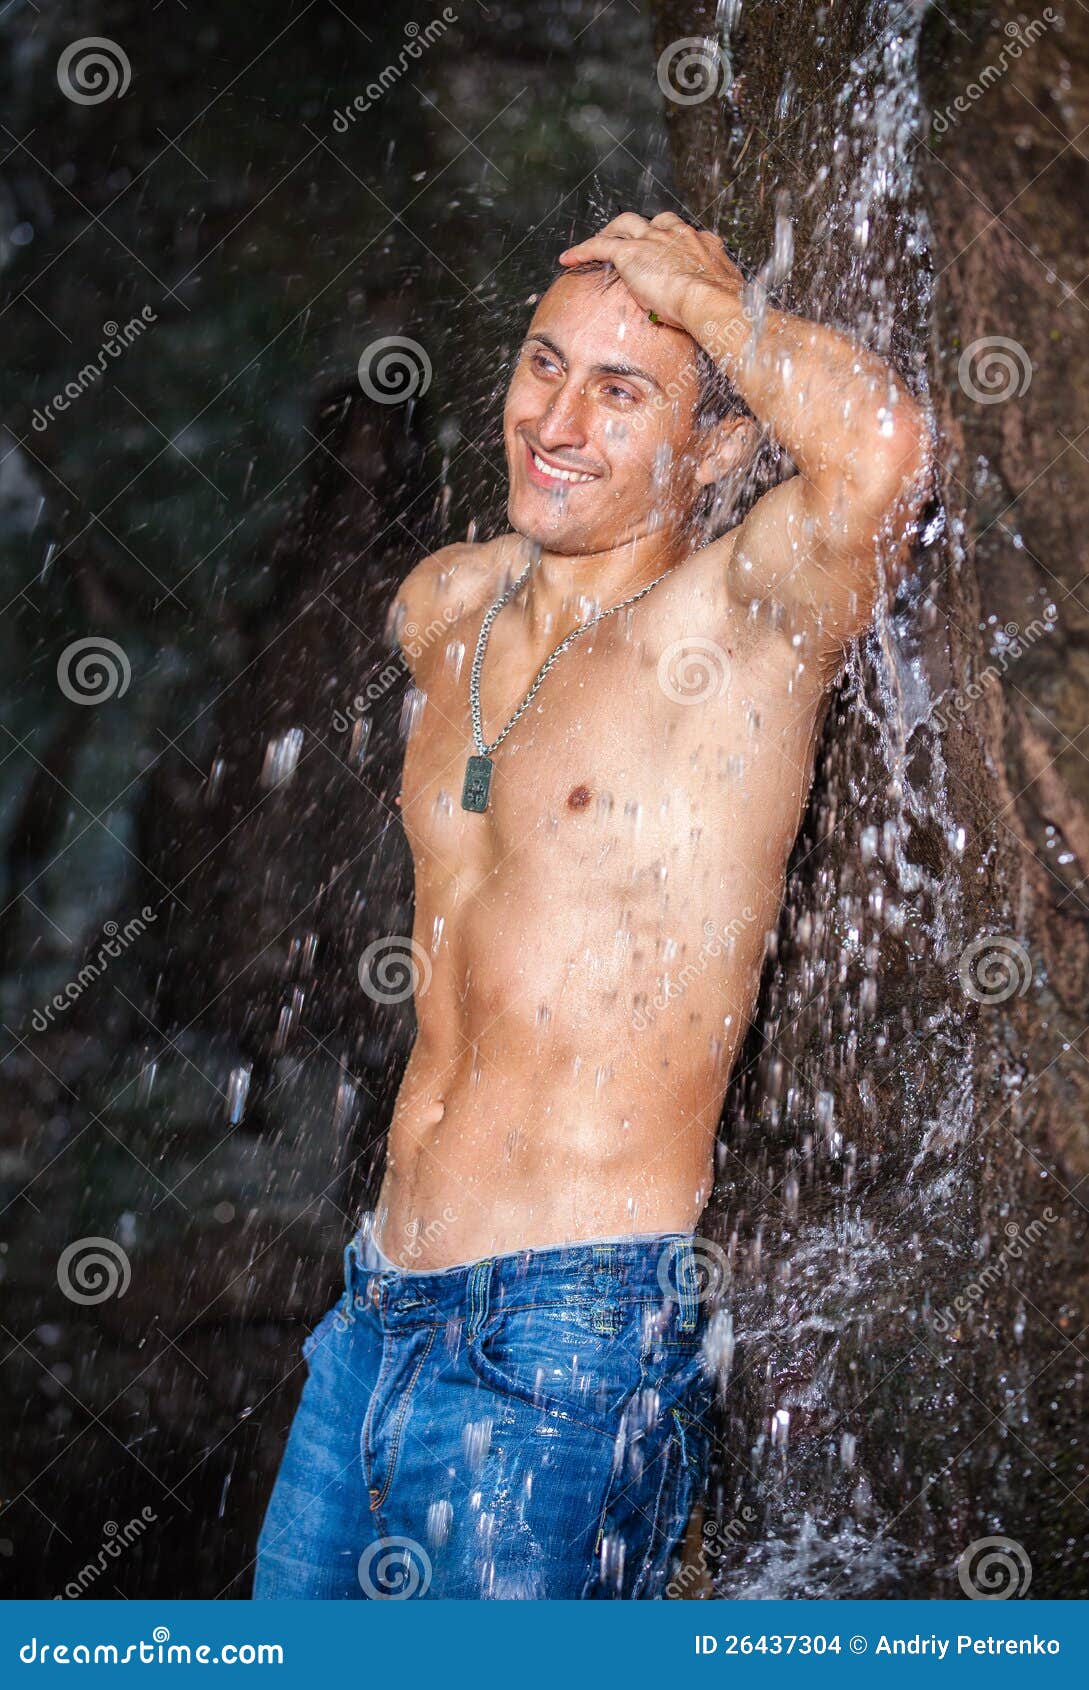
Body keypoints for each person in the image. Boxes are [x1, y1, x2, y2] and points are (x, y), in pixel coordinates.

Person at [253, 212, 931, 1600]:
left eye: (622, 392)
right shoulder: (443, 605)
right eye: (542, 366)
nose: (554, 421)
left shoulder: (739, 627)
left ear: (722, 449)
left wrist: (701, 296)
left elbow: (883, 458)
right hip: (372, 1311)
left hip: (566, 1332)